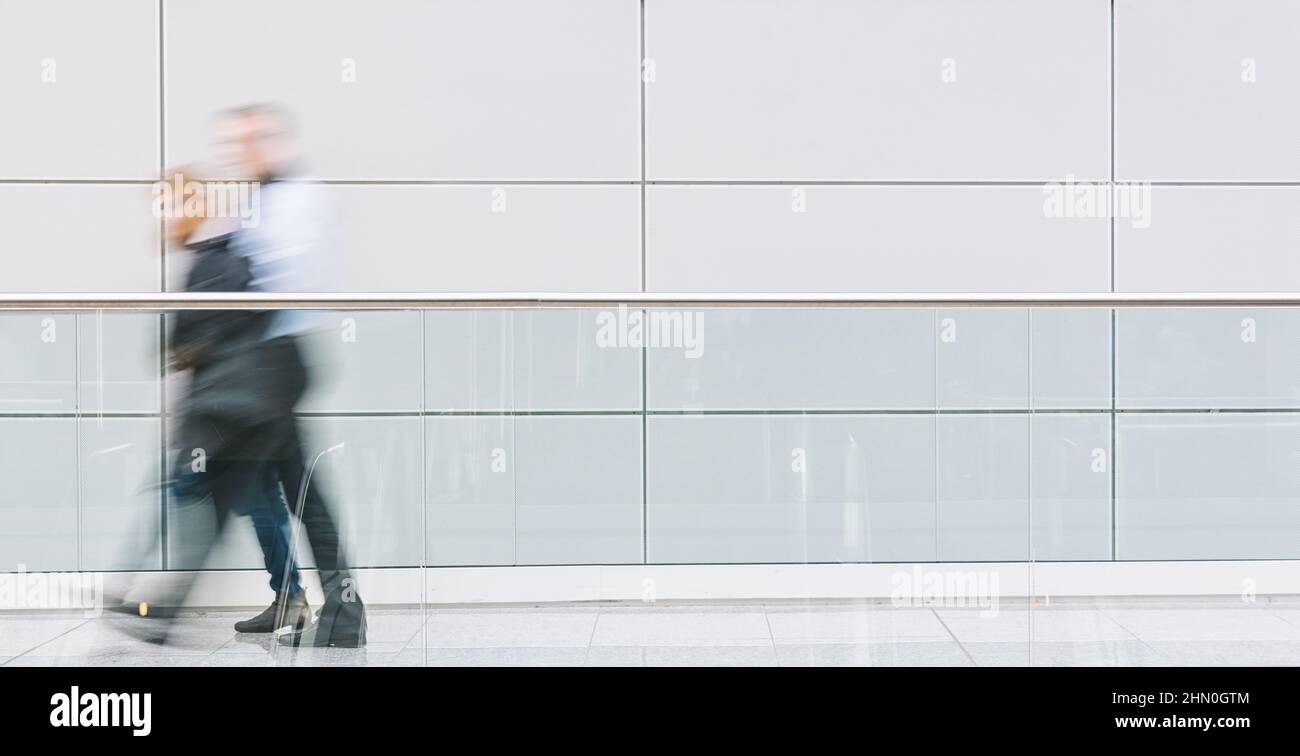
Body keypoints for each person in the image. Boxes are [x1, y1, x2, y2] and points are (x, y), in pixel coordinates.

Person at [214, 103, 365, 648]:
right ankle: (306, 600)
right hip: (266, 363)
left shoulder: (296, 199)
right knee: (276, 486)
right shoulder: (267, 199)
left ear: (274, 140)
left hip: (277, 361)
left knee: (299, 490)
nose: (241, 152)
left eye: (249, 141)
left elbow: (276, 278)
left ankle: (336, 608)